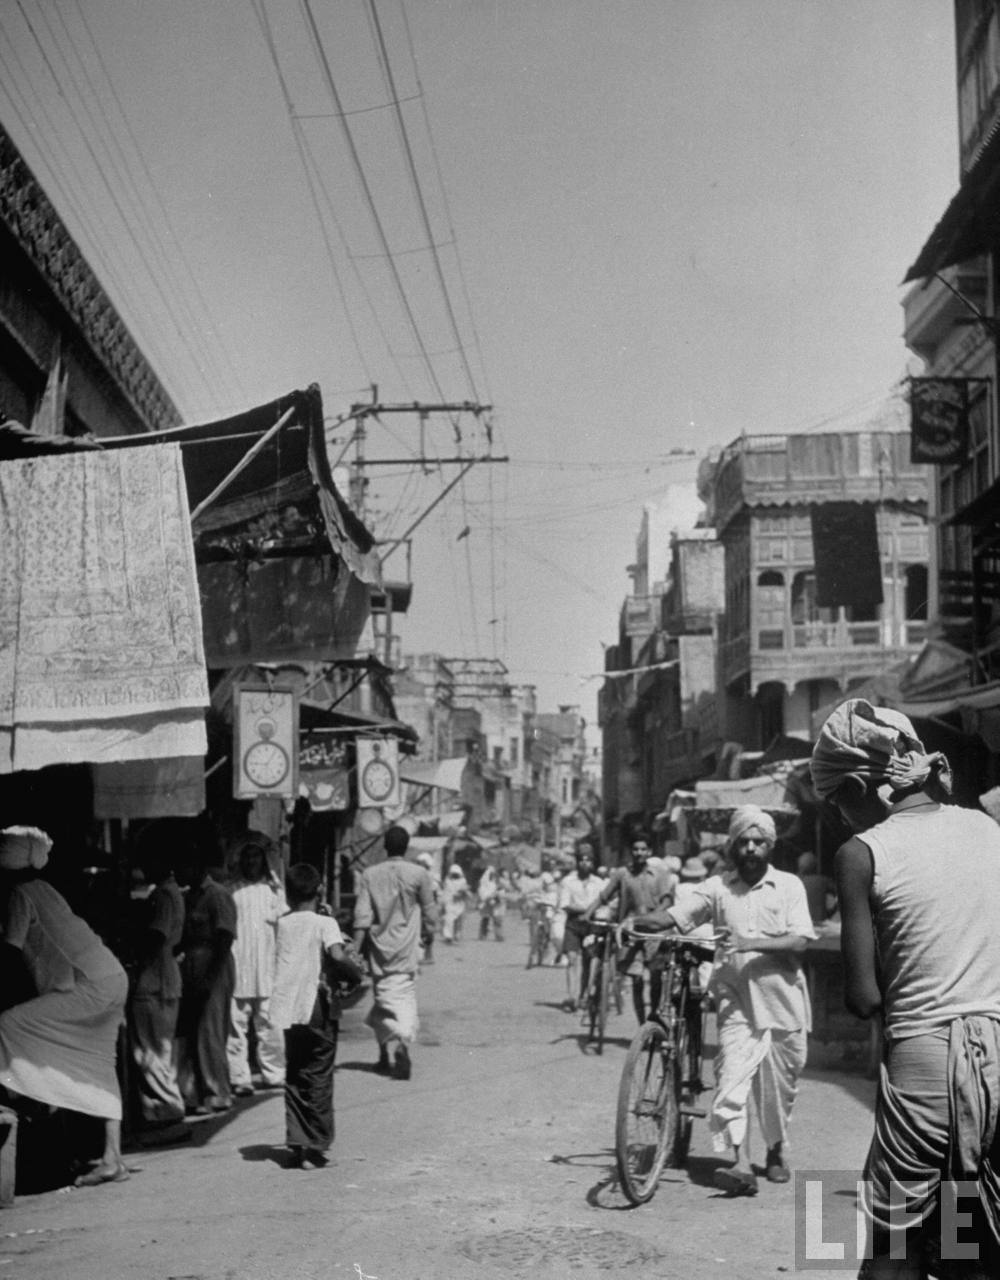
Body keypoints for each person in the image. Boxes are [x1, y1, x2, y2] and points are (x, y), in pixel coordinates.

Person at [812, 697, 1000, 1277]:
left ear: (856, 788)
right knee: (970, 1238)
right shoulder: (987, 829)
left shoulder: (861, 854)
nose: (840, 816)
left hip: (922, 1060)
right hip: (997, 1057)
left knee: (892, 1246)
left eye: (836, 801)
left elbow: (863, 997)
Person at [637, 805, 815, 1197]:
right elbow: (676, 915)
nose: (751, 848)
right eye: (744, 842)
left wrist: (751, 943)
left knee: (777, 1088)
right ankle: (740, 1162)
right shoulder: (718, 887)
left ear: (769, 846)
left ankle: (775, 1151)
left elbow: (800, 941)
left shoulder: (788, 886)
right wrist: (635, 924)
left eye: (758, 842)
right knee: (732, 1077)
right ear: (733, 846)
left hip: (782, 1003)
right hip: (735, 1000)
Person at [0, 826, 129, 1186]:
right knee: (101, 1064)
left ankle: (33, 1099)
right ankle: (112, 1159)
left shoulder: (20, 894)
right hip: (111, 976)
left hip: (89, 984)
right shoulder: (46, 889)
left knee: (8, 1025)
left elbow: (9, 952)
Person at [269, 863, 363, 1170]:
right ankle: (315, 1148)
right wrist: (356, 974)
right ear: (320, 889)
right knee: (319, 1075)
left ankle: (297, 1143)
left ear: (288, 892)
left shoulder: (282, 923)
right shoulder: (325, 922)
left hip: (287, 1008)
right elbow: (337, 956)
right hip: (316, 1006)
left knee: (295, 1073)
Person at [353, 826, 437, 1081]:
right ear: (407, 846)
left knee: (382, 1001)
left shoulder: (369, 875)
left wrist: (355, 951)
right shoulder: (419, 873)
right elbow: (431, 913)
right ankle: (402, 1042)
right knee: (405, 999)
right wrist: (428, 933)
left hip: (379, 951)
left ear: (386, 847)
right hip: (407, 950)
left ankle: (383, 1055)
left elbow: (362, 918)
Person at [581, 832, 676, 1023]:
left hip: (655, 932)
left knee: (656, 978)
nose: (639, 853)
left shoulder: (659, 874)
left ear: (649, 851)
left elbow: (667, 899)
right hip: (630, 932)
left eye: (643, 849)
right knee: (636, 980)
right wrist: (588, 912)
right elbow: (604, 896)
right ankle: (642, 1024)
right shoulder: (622, 874)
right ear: (631, 851)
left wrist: (653, 917)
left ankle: (653, 1016)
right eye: (635, 849)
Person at [128, 844, 186, 1129]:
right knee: (159, 1050)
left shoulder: (163, 894)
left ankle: (166, 1111)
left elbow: (156, 935)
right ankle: (164, 1109)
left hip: (155, 977)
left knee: (151, 1051)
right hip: (164, 975)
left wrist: (135, 945)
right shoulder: (170, 892)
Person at [176, 847, 237, 1115]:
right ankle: (197, 1092)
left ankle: (218, 1092)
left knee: (211, 1030)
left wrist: (210, 977)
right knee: (193, 1032)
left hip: (214, 964)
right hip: (191, 964)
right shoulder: (189, 897)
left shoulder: (218, 895)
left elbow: (224, 937)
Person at [226, 834, 285, 1097]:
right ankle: (240, 1077)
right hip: (238, 967)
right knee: (236, 1025)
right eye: (248, 857)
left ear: (263, 861)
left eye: (257, 857)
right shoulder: (231, 891)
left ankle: (274, 1074)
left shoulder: (275, 892)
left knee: (270, 1026)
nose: (252, 862)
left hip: (267, 968)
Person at [556, 843, 604, 1010]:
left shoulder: (599, 882)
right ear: (577, 862)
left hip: (592, 926)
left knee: (588, 960)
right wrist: (586, 910)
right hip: (574, 924)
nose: (585, 863)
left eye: (589, 860)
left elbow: (603, 903)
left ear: (593, 863)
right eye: (582, 860)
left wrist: (591, 913)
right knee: (572, 959)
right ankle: (571, 997)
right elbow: (565, 904)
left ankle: (583, 995)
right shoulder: (568, 881)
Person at [795, 851, 836, 925]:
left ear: (799, 866)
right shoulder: (823, 881)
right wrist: (832, 912)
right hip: (819, 923)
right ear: (814, 866)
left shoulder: (793, 881)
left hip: (798, 924)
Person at [414, 851, 440, 965]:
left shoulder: (429, 876)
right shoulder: (424, 875)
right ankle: (425, 955)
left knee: (426, 931)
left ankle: (428, 956)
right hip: (423, 906)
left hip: (426, 906)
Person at [476, 864, 507, 942]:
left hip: (494, 903)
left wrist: (497, 896)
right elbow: (482, 893)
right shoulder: (484, 883)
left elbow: (500, 891)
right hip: (486, 904)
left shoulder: (495, 882)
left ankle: (499, 935)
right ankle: (483, 934)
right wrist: (488, 897)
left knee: (497, 919)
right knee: (485, 919)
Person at [440, 863, 469, 944]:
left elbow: (465, 891)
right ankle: (448, 936)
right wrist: (443, 901)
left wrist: (461, 893)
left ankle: (457, 934)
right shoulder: (447, 880)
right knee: (448, 920)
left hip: (459, 903)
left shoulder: (463, 881)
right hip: (449, 902)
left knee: (458, 920)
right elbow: (446, 891)